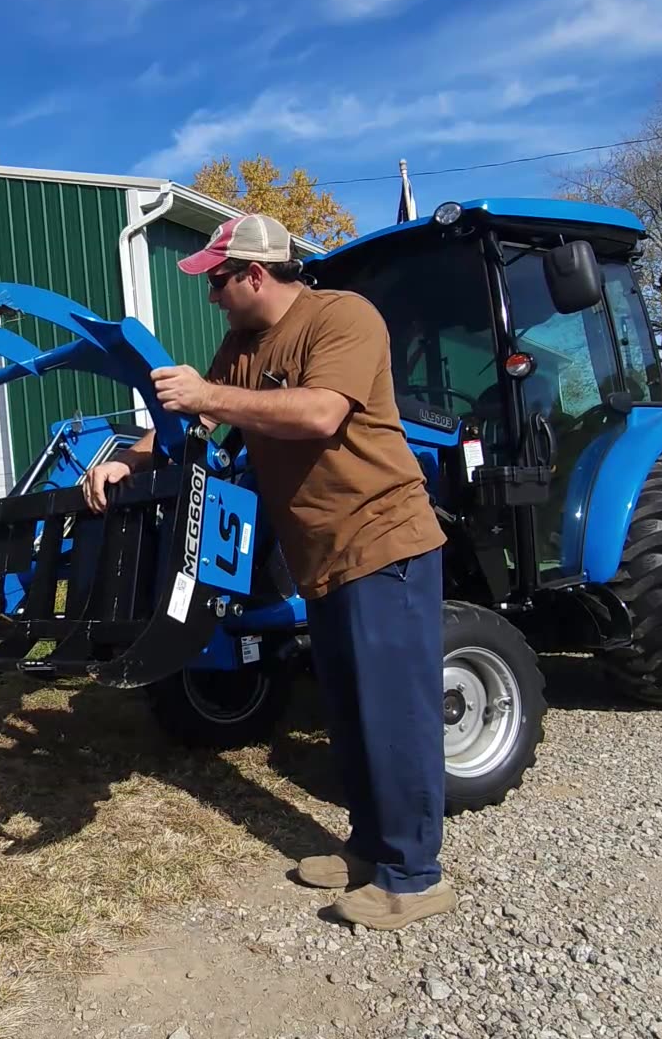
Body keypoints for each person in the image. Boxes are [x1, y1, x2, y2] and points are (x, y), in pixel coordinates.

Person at [80, 213, 454, 931]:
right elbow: (194, 421)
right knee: (350, 711)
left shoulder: (342, 316)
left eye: (218, 281)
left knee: (394, 713)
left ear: (255, 272)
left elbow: (318, 413)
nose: (211, 296)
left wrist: (208, 397)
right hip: (320, 556)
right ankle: (371, 850)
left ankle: (415, 875)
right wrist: (129, 456)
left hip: (383, 541)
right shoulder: (243, 344)